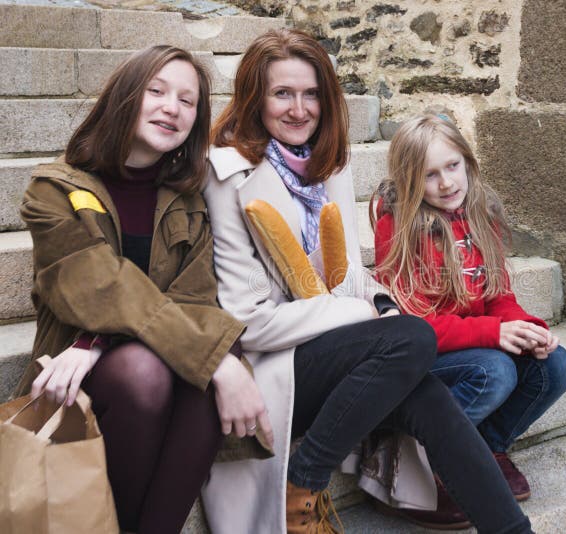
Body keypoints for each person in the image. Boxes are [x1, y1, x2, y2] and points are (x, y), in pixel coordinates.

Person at [201, 29, 534, 533]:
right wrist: (365, 313)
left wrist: (378, 303)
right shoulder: (226, 174)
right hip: (274, 361)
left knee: (423, 385)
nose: (299, 109)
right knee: (413, 338)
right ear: (254, 98)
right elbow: (249, 324)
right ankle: (305, 476)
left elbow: (349, 273)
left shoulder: (329, 164)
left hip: (337, 344)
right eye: (282, 94)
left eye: (311, 93)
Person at [17, 46, 269, 534]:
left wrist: (214, 362)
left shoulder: (188, 200)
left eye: (187, 100)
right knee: (152, 369)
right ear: (125, 96)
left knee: (201, 379)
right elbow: (99, 286)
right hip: (71, 374)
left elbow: (195, 302)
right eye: (156, 91)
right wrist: (98, 343)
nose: (171, 108)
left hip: (147, 360)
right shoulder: (54, 190)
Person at [373, 114, 566, 504]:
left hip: (474, 344)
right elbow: (416, 326)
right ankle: (432, 455)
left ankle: (487, 445)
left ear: (467, 161)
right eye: (430, 175)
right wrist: (493, 334)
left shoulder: (478, 212)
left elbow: (498, 296)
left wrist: (526, 327)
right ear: (410, 180)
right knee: (494, 371)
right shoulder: (396, 227)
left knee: (556, 365)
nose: (447, 182)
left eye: (453, 166)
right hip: (424, 356)